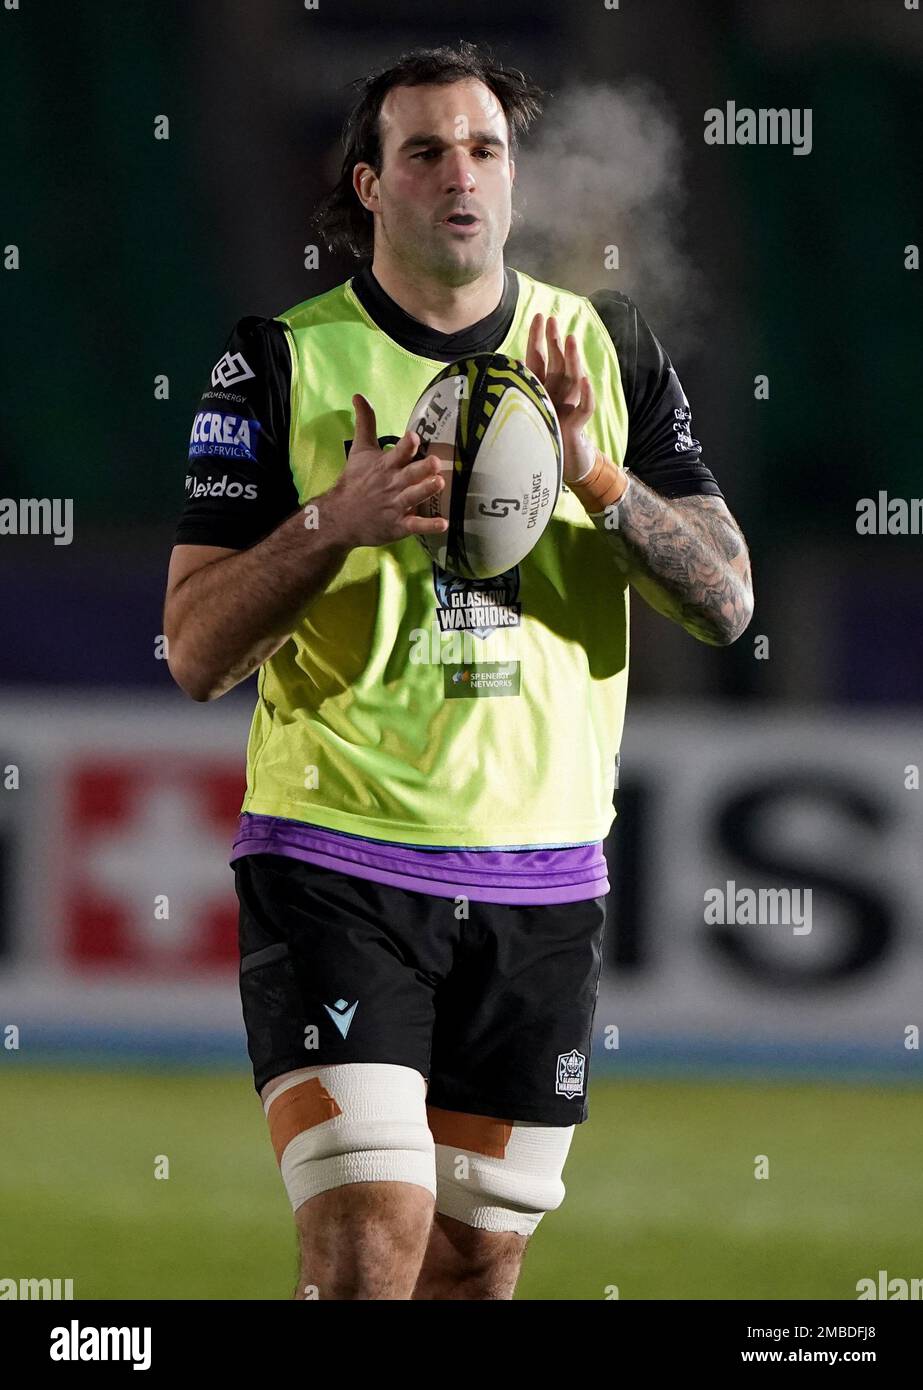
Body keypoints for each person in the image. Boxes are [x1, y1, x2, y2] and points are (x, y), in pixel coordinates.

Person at [164, 40, 753, 1301]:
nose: (459, 173)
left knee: (474, 1266)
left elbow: (724, 599)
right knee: (367, 1247)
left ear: (514, 178)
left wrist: (596, 478)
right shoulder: (277, 361)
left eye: (483, 147)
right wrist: (334, 520)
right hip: (337, 863)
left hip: (544, 877)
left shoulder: (602, 347)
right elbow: (195, 651)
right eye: (423, 149)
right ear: (368, 186)